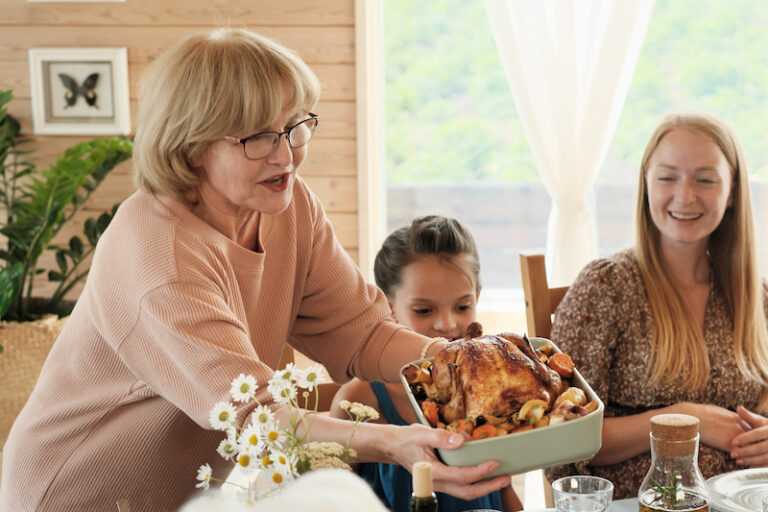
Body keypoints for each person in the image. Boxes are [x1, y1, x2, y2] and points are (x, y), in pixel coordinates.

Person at [0, 28, 511, 511]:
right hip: (75, 491)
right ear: (192, 147)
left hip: (182, 493)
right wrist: (394, 442)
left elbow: (363, 334)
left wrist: (474, 362)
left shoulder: (289, 206)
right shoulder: (159, 255)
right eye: (261, 137)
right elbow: (258, 419)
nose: (287, 155)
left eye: (294, 126)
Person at [546, 112, 768, 499]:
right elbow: (562, 439)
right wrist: (686, 419)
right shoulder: (606, 287)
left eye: (705, 180)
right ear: (646, 184)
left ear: (732, 191)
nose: (685, 196)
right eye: (667, 177)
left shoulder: (756, 296)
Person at [330, 215, 523, 511]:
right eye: (423, 310)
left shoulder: (492, 390)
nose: (447, 324)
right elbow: (328, 498)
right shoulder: (359, 401)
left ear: (477, 297)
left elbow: (504, 492)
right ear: (389, 307)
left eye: (463, 306)